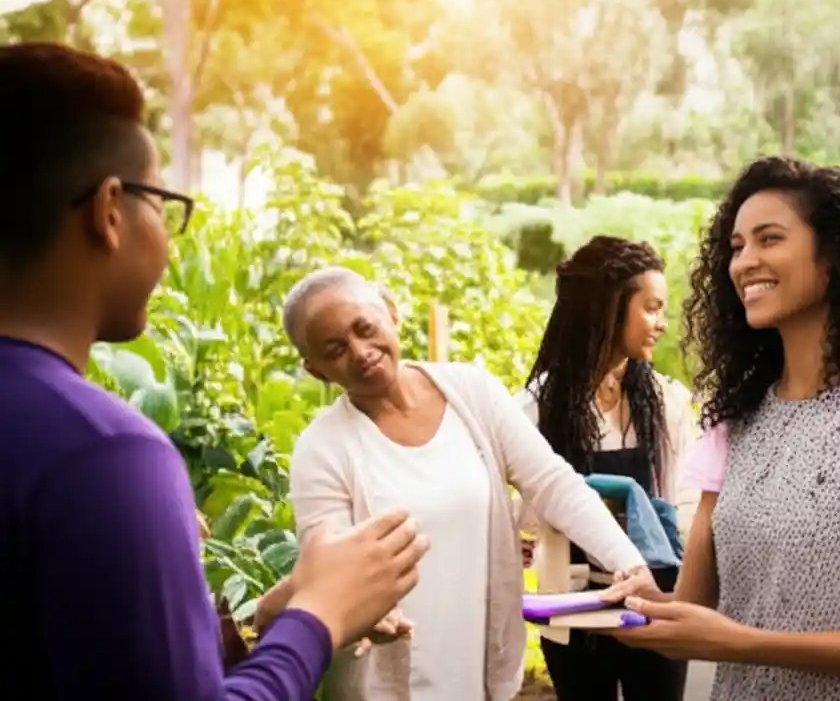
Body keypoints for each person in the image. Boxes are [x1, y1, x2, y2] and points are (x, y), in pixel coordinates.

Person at [0, 42, 429, 699]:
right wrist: (320, 615)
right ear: (109, 212)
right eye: (163, 203)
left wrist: (273, 620)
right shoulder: (102, 454)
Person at [606, 156, 840, 699]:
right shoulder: (735, 418)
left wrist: (748, 644)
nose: (745, 262)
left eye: (770, 239)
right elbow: (693, 613)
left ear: (835, 255)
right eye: (737, 247)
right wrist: (643, 603)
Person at [279, 266, 659, 700]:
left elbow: (553, 483)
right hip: (384, 687)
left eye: (365, 328)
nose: (360, 351)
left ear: (391, 313)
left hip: (476, 678)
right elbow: (325, 559)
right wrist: (359, 612)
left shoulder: (472, 393)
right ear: (316, 370)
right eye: (335, 349)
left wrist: (628, 562)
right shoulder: (322, 448)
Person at [515, 235, 700, 700]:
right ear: (608, 308)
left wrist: (684, 590)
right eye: (651, 308)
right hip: (573, 607)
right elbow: (528, 514)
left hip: (652, 601)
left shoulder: (666, 403)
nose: (661, 323)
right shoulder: (537, 408)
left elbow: (682, 501)